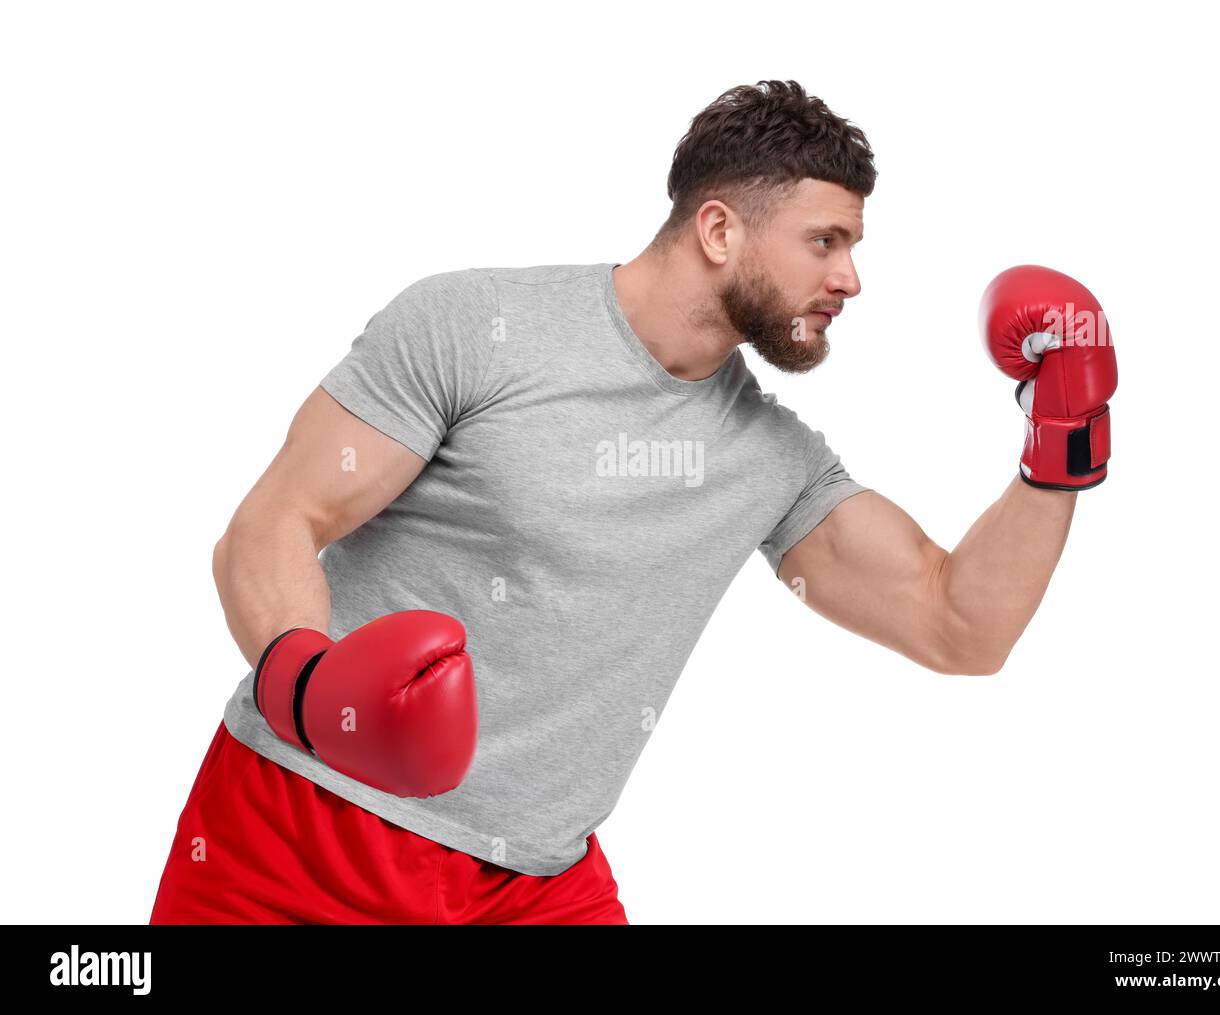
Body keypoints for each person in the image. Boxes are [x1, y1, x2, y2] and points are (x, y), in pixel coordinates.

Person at [150, 79, 1113, 925]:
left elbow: (959, 628)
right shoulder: (476, 330)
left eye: (852, 246)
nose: (849, 279)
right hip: (299, 832)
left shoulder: (772, 458)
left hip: (532, 881)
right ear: (720, 228)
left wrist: (1061, 440)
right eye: (826, 241)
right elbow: (274, 524)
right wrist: (310, 686)